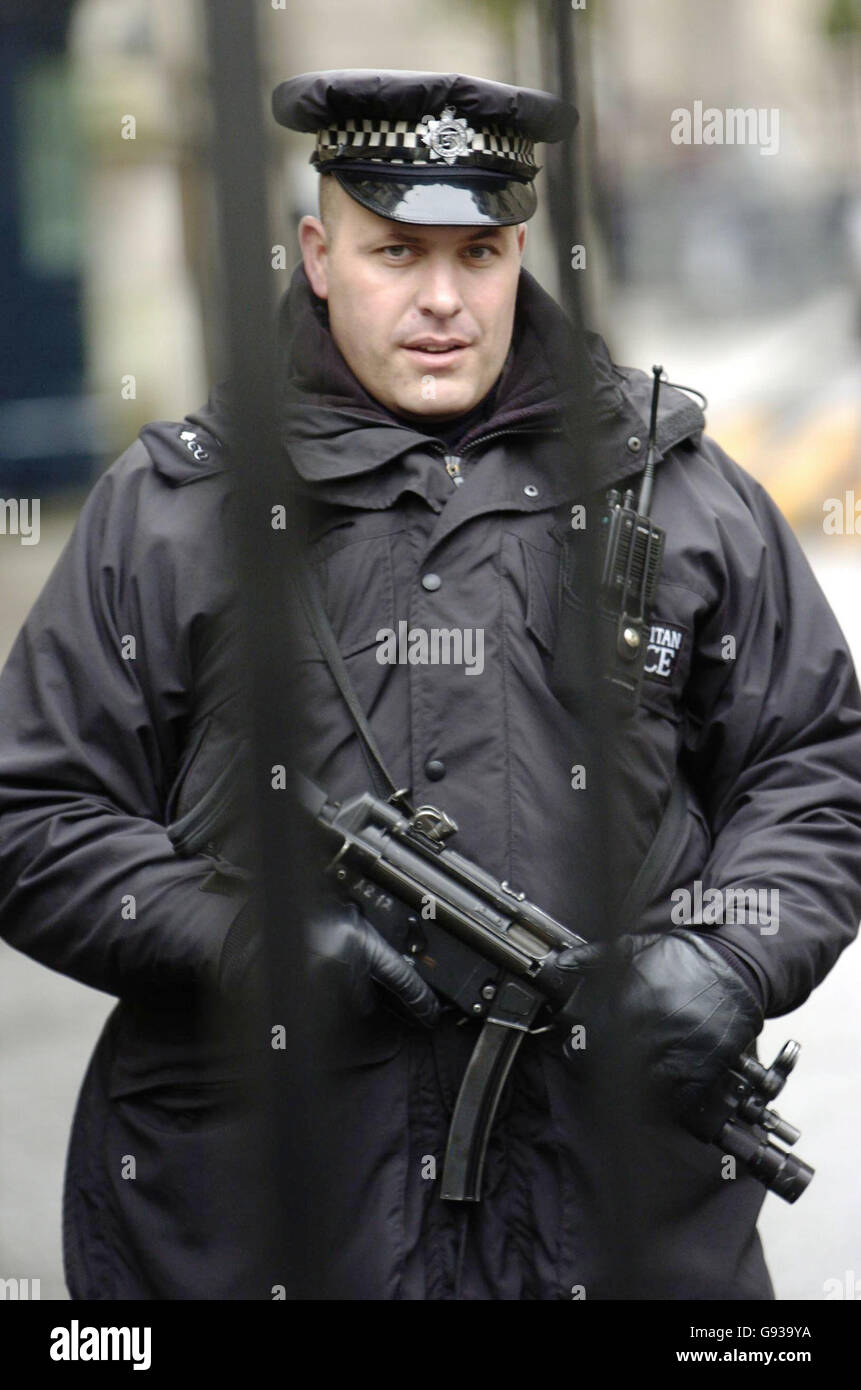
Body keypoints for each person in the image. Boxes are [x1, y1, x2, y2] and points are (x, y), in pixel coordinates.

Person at [1, 68, 860, 1302]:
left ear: (523, 249)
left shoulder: (680, 490)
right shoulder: (177, 511)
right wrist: (252, 941)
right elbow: (34, 818)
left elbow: (816, 766)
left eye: (481, 251)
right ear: (317, 248)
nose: (444, 299)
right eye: (396, 249)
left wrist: (727, 959)